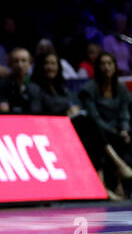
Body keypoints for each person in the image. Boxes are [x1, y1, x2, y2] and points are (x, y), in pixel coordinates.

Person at [77, 51, 132, 198]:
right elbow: (94, 118)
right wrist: (115, 132)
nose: (106, 67)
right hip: (100, 132)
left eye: (110, 63)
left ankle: (121, 187)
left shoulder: (120, 88)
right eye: (102, 64)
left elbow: (124, 113)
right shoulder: (89, 89)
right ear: (97, 67)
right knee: (93, 128)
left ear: (115, 66)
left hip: (118, 131)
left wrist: (125, 129)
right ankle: (118, 169)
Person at [0, 47, 41, 114]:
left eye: (24, 60)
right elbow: (3, 111)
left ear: (30, 64)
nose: (20, 65)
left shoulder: (35, 88)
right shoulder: (1, 86)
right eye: (16, 61)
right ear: (9, 64)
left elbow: (36, 112)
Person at [31, 51, 78, 117]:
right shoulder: (34, 88)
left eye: (53, 64)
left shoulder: (62, 87)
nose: (50, 67)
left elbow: (73, 103)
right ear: (41, 66)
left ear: (59, 67)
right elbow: (36, 113)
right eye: (46, 63)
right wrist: (65, 114)